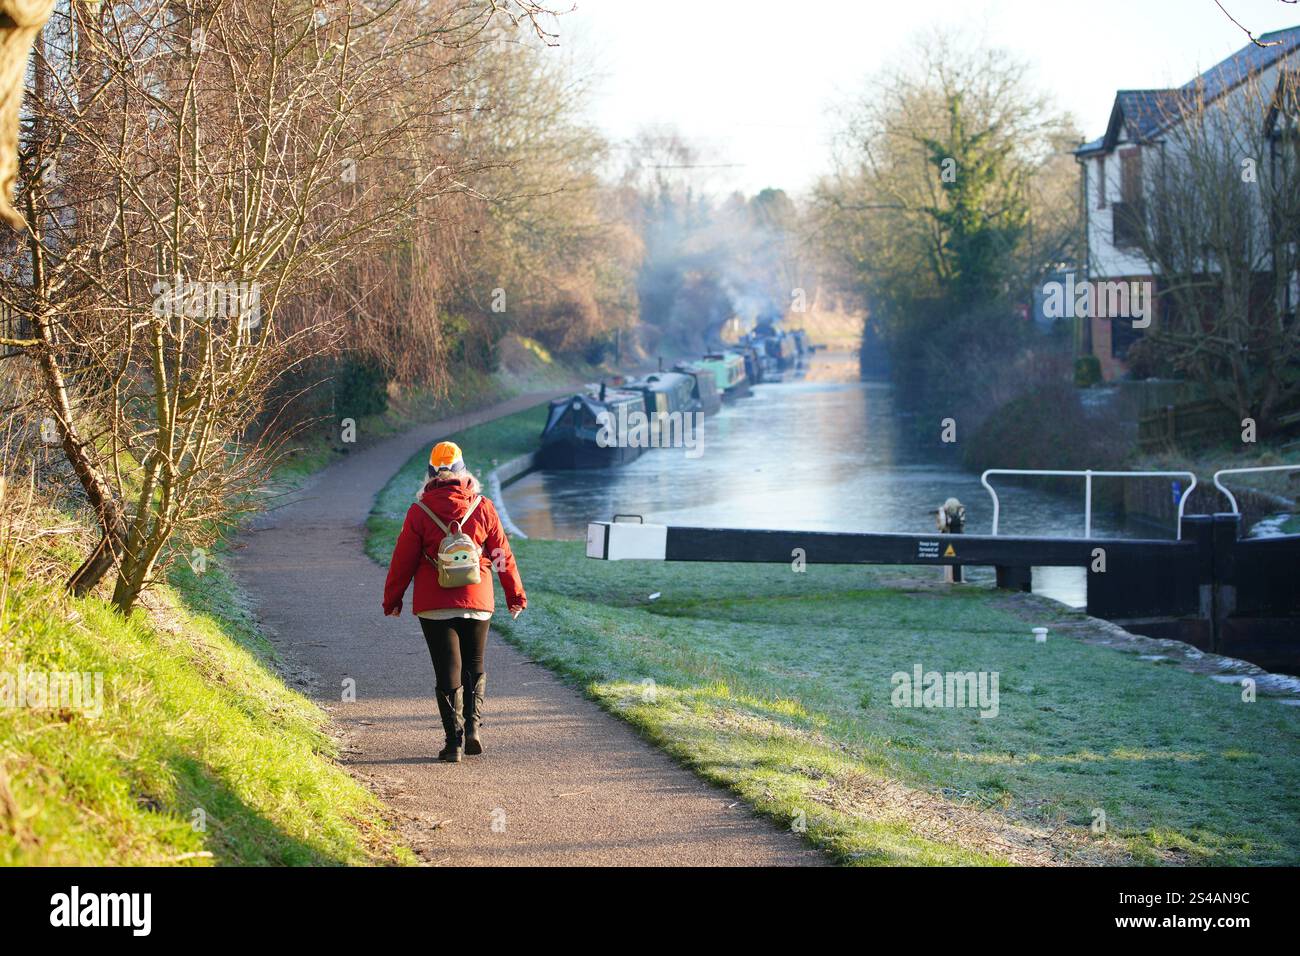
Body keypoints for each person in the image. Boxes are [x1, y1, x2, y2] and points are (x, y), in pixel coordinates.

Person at [382, 441, 526, 762]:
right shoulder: (483, 506)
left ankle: (453, 743)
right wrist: (514, 595)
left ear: (430, 474)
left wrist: (393, 599)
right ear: (464, 472)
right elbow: (502, 556)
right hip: (478, 598)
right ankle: (473, 727)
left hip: (434, 604)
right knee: (474, 664)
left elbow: (402, 561)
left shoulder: (419, 512)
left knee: (447, 671)